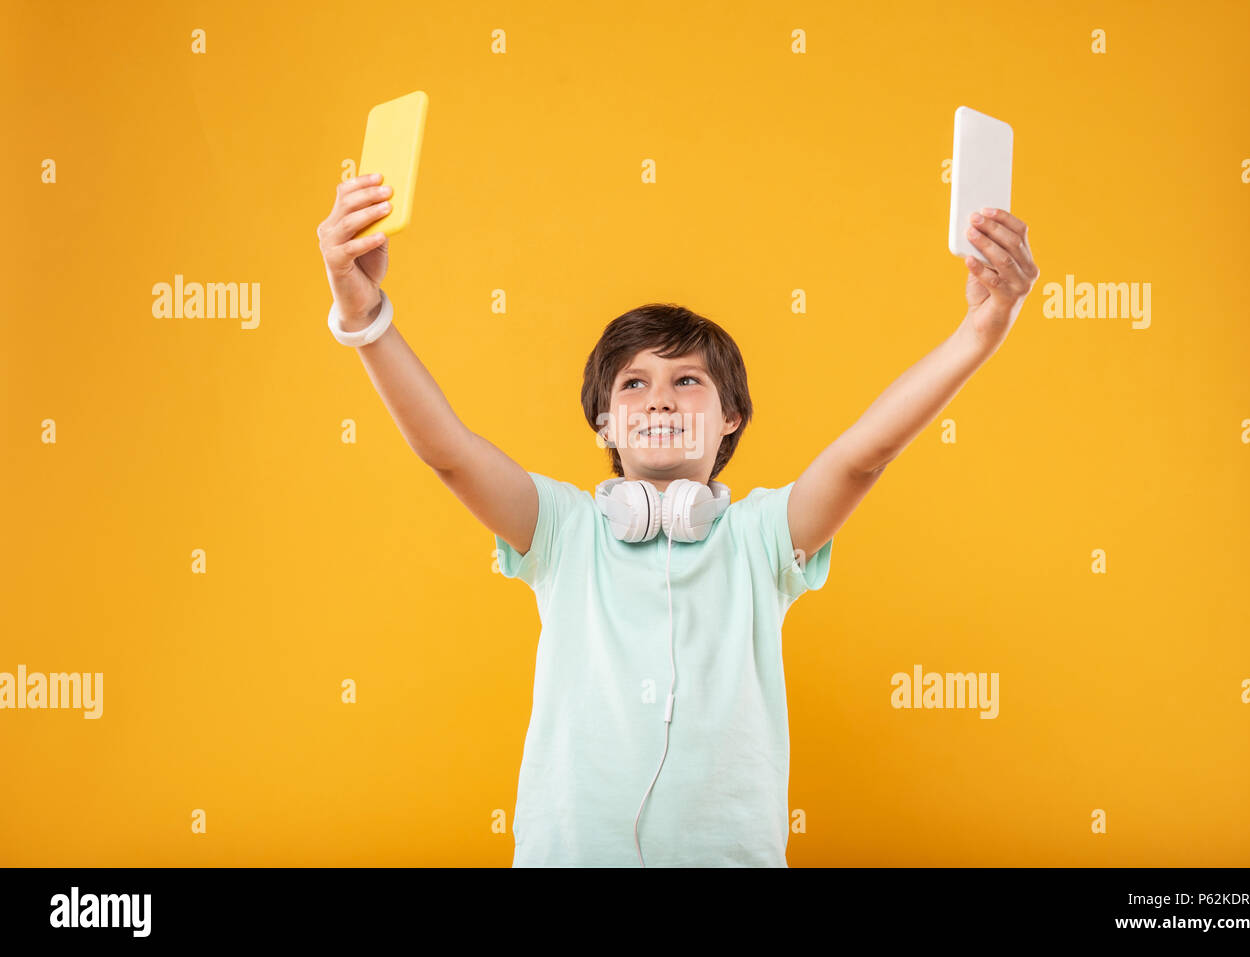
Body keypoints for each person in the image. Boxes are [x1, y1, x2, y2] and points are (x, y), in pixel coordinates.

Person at [316, 174, 1039, 866]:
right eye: (635, 383)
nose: (659, 399)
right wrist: (363, 317)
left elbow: (863, 453)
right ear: (604, 424)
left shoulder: (762, 537)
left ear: (731, 418)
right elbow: (448, 450)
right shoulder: (564, 531)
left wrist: (981, 329)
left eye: (687, 380)